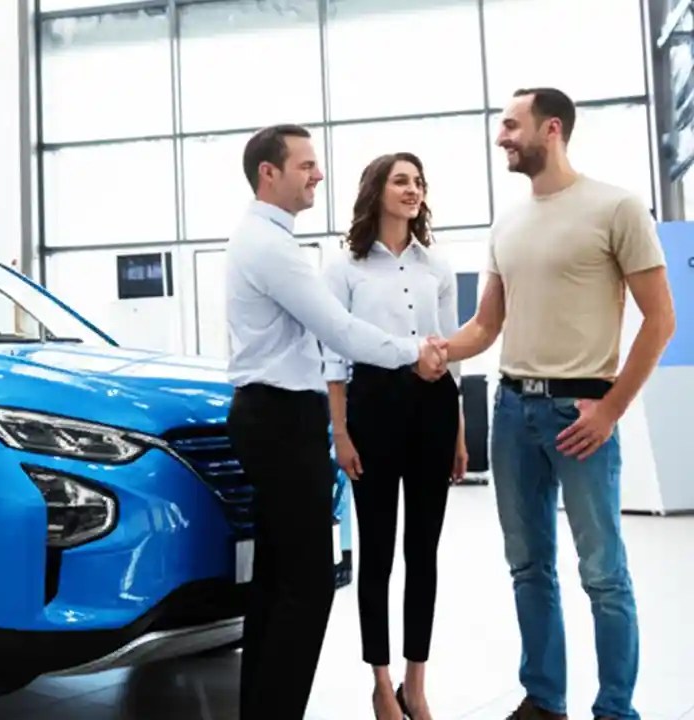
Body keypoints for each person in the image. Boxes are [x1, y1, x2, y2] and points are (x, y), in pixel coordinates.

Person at [444, 88, 676, 720]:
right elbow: (485, 327)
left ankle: (616, 710)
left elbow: (661, 320)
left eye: (512, 126)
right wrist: (433, 348)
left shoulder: (616, 207)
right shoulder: (506, 223)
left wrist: (611, 411)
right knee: (528, 568)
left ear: (552, 129)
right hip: (512, 410)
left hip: (582, 415)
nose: (501, 137)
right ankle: (544, 699)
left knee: (602, 572)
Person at [224, 124, 450, 720]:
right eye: (305, 165)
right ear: (268, 173)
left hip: (280, 415)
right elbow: (341, 334)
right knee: (307, 585)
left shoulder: (267, 240)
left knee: (276, 580)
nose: (317, 175)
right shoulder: (273, 248)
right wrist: (413, 352)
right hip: (282, 418)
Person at [321, 152, 466, 720]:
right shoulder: (346, 267)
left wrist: (457, 435)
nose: (413, 189)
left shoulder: (438, 266)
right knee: (377, 553)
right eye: (401, 180)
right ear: (377, 190)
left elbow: (450, 355)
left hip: (433, 409)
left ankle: (416, 681)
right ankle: (380, 683)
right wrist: (340, 432)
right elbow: (333, 355)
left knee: (423, 552)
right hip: (373, 408)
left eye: (418, 181)